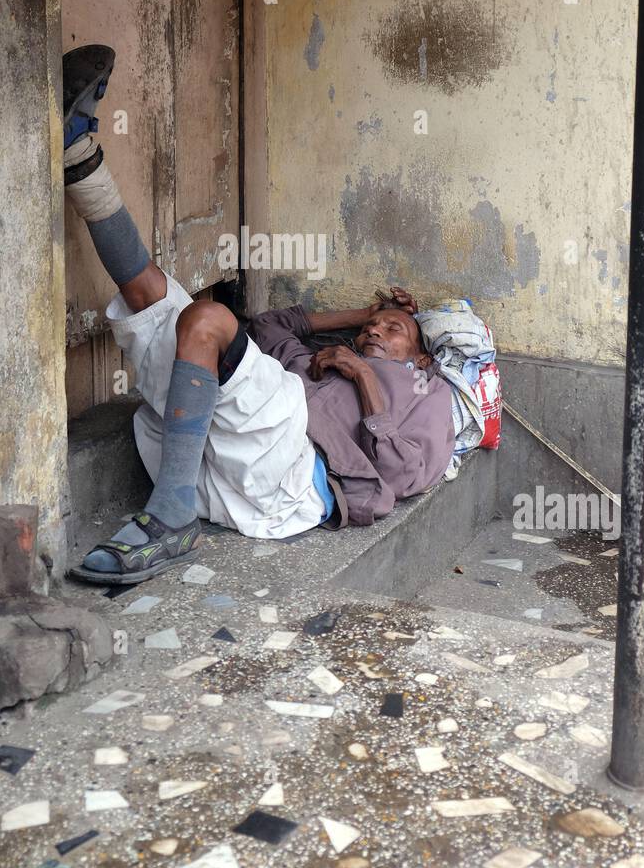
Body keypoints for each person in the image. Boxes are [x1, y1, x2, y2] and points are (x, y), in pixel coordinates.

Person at [63, 45, 454, 586]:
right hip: (226, 462)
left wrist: (365, 378)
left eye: (394, 329)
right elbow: (263, 330)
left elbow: (403, 472)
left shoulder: (427, 392)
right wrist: (355, 324)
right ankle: (77, 154)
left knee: (204, 319)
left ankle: (171, 518)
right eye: (373, 323)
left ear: (423, 356)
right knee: (152, 296)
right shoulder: (318, 357)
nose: (375, 331)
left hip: (296, 474)